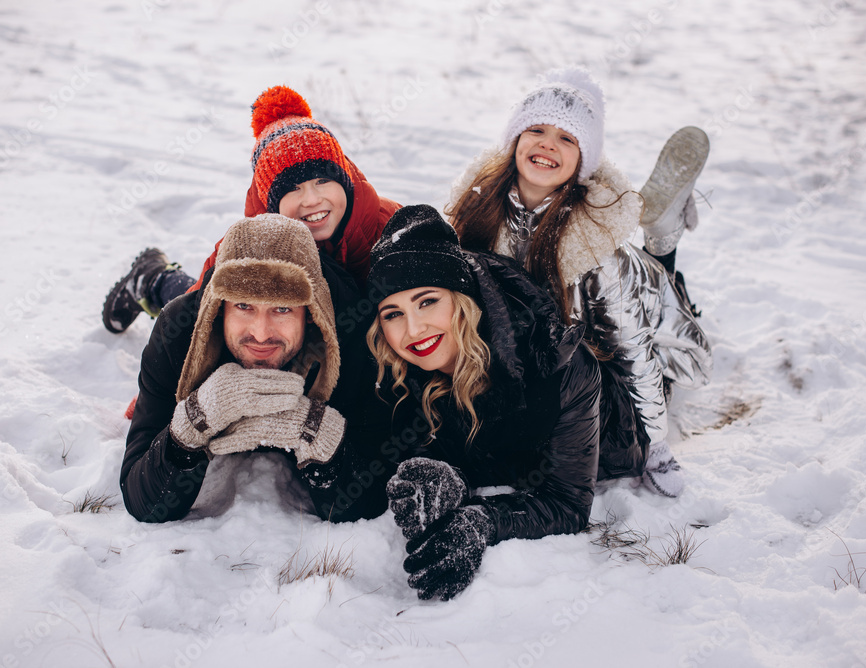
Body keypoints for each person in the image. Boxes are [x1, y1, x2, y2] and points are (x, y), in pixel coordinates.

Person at [447, 66, 713, 498]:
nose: (548, 143)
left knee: (618, 438)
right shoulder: (478, 209)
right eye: (536, 129)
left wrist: (656, 444)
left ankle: (663, 241)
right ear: (514, 140)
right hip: (537, 345)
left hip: (616, 338)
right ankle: (658, 252)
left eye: (567, 138)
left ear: (582, 162)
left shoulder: (593, 247)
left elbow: (632, 347)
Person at [360, 204, 648, 601]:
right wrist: (444, 479)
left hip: (618, 423)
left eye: (428, 302)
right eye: (393, 313)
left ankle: (661, 255)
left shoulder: (557, 365)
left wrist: (483, 522)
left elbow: (567, 503)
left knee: (663, 349)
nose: (413, 329)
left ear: (461, 301)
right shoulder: (401, 370)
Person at [119, 214, 372, 523]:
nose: (262, 333)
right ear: (219, 306)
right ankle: (154, 278)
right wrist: (192, 423)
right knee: (178, 294)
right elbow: (141, 500)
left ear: (310, 312)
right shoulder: (177, 333)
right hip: (191, 306)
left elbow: (365, 505)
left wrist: (320, 435)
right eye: (243, 306)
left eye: (282, 309)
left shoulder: (351, 334)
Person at [102, 85, 400, 335]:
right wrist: (155, 402)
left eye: (323, 180)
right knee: (212, 310)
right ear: (272, 204)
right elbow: (195, 329)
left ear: (345, 180)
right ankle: (154, 280)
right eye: (292, 188)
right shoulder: (250, 247)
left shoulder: (389, 226)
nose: (311, 199)